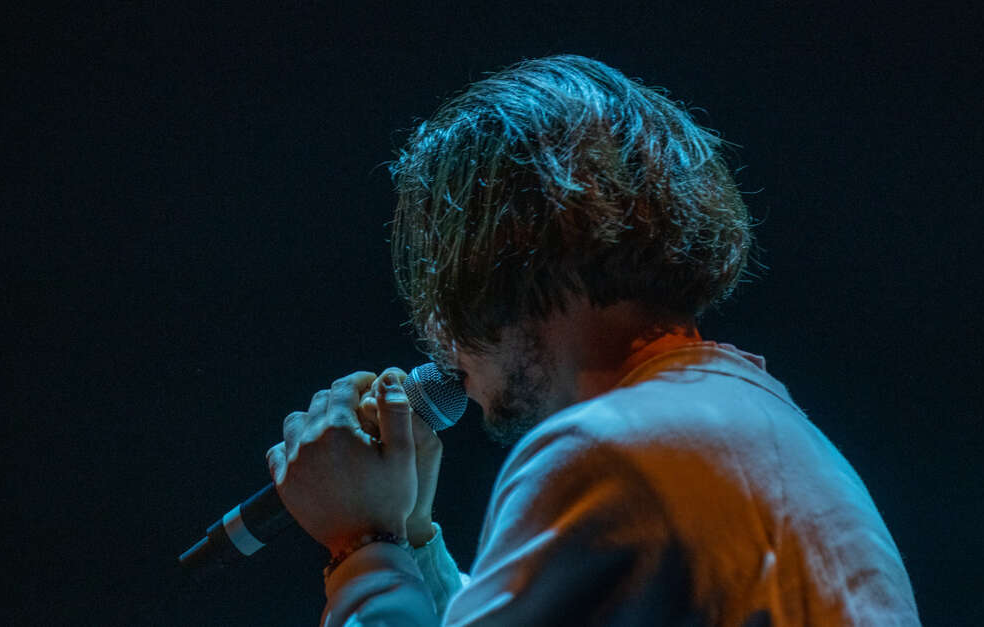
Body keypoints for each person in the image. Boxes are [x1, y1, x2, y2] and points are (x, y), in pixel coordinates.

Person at [266, 55, 920, 626]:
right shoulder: (770, 433)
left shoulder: (606, 454)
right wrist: (409, 541)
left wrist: (363, 545)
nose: (442, 346)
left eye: (445, 274)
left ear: (508, 259)